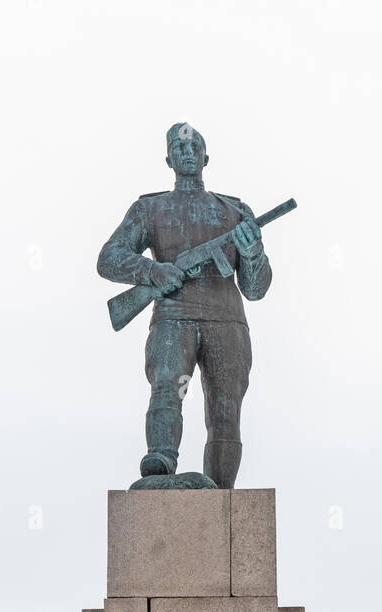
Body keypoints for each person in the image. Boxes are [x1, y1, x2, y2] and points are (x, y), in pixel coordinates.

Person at [97, 123, 272, 488]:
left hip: (226, 321)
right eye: (179, 147)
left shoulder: (236, 210)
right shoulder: (150, 208)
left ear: (207, 157)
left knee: (226, 411)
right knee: (167, 386)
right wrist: (153, 271)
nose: (188, 152)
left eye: (195, 147)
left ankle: (222, 495)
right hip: (173, 317)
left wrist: (253, 251)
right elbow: (109, 258)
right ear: (168, 159)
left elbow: (255, 289)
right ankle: (161, 459)